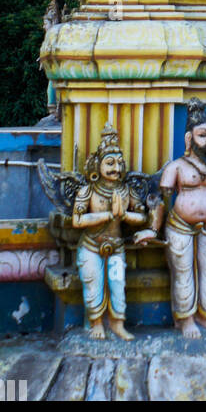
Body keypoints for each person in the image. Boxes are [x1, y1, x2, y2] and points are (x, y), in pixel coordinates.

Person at [137, 98, 206, 338]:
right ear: (189, 139)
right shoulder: (176, 167)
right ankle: (185, 319)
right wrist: (152, 229)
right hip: (179, 228)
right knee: (183, 273)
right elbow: (160, 201)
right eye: (203, 135)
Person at [72, 123, 146, 340]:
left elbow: (142, 217)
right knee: (93, 285)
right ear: (98, 166)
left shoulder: (126, 190)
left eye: (119, 163)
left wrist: (123, 215)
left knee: (118, 286)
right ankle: (96, 323)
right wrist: (107, 216)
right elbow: (77, 220)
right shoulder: (89, 191)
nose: (116, 168)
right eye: (110, 163)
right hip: (91, 246)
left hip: (116, 246)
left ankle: (117, 324)